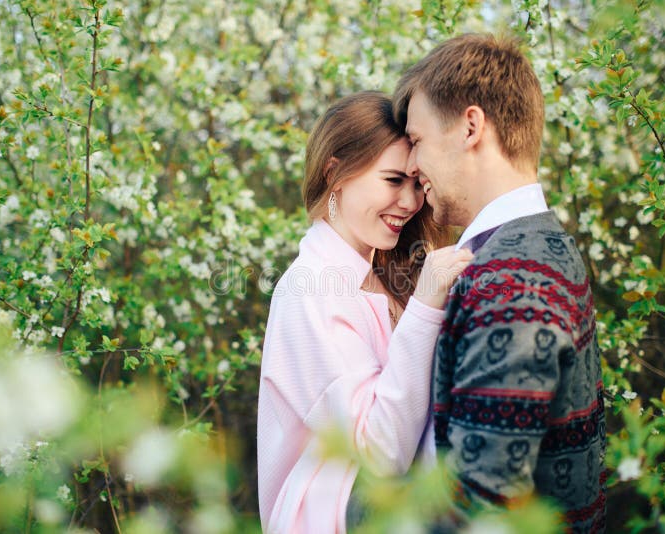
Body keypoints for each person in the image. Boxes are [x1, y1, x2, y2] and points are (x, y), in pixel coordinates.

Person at [393, 34, 606, 532]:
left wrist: (340, 505)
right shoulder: (536, 247)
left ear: (471, 126)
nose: (410, 166)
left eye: (417, 141)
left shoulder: (512, 280)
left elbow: (479, 511)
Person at [256, 91, 473, 533]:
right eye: (393, 180)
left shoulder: (381, 274)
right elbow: (380, 453)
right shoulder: (309, 289)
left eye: (416, 183)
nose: (410, 202)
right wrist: (425, 307)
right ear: (335, 174)